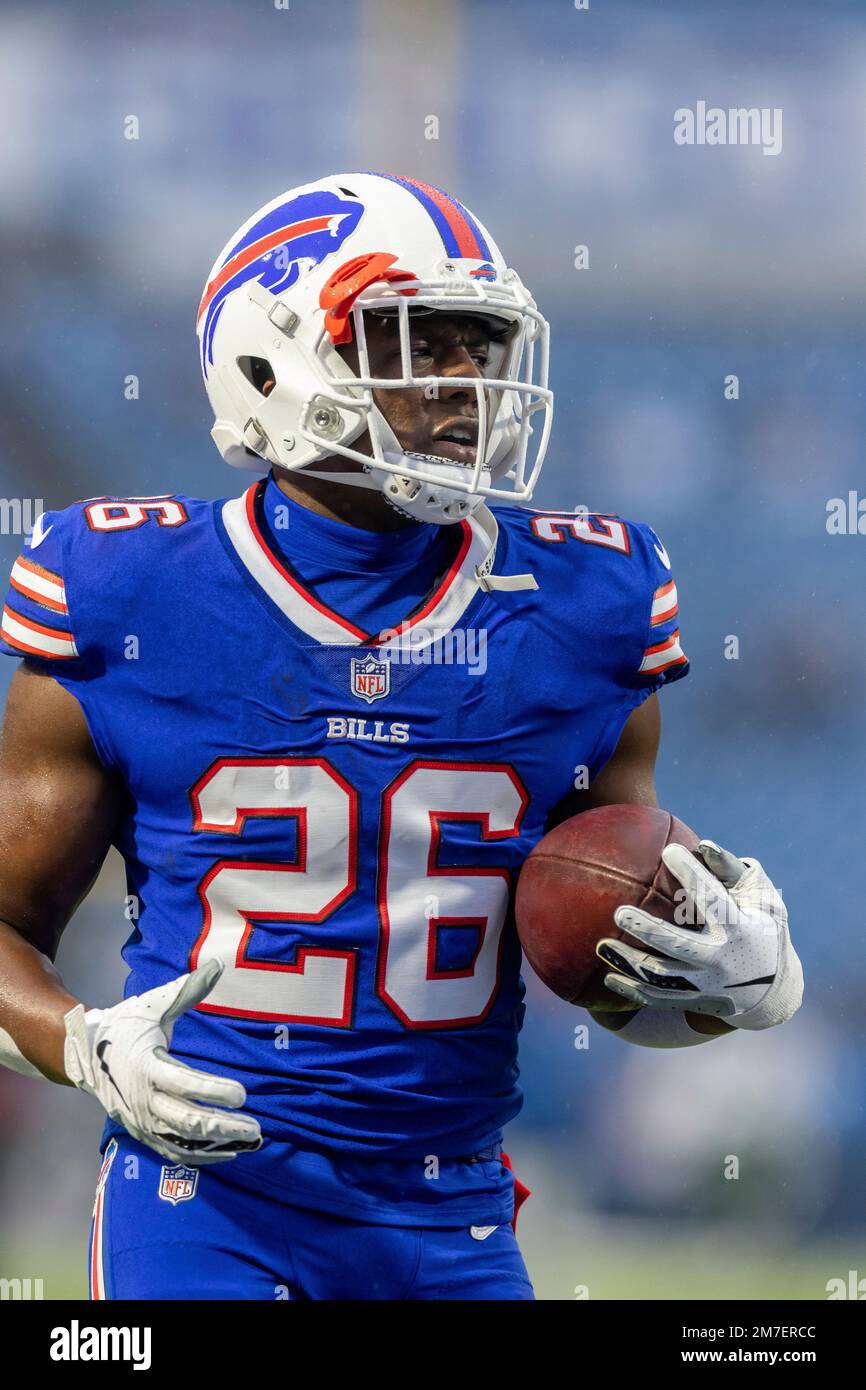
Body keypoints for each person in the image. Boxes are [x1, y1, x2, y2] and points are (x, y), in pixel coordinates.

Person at [0, 173, 802, 1300]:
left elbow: (594, 942)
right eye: (416, 339)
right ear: (271, 360)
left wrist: (729, 975)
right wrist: (82, 1043)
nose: (466, 378)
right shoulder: (130, 590)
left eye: (479, 342)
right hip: (205, 1201)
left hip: (449, 1211)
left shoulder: (581, 602)